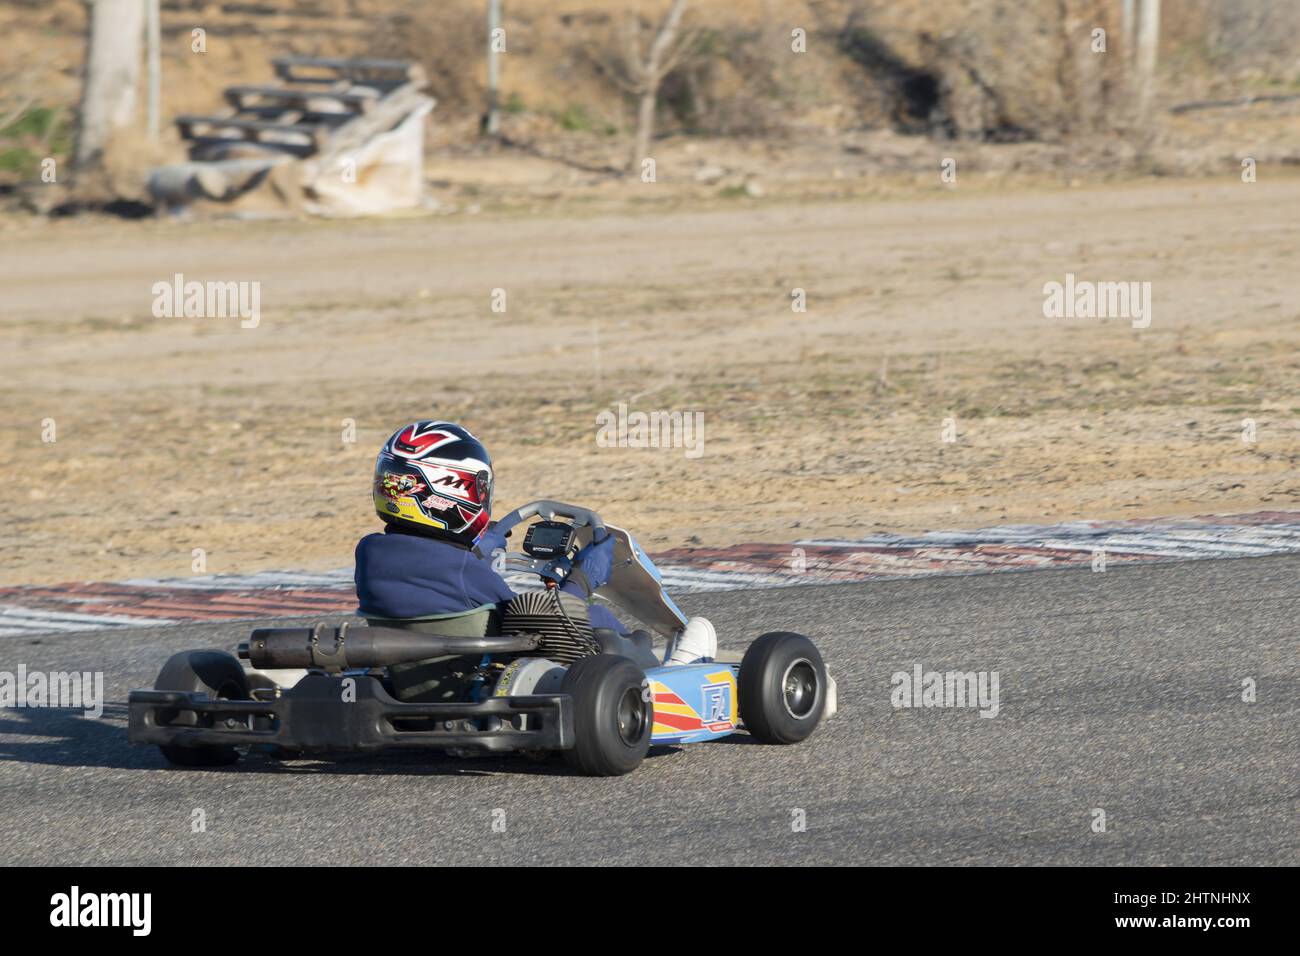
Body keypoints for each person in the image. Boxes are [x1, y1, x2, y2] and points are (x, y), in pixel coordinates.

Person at [354, 420, 715, 669]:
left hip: (411, 679)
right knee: (605, 627)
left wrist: (483, 545)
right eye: (477, 488)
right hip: (483, 675)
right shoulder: (461, 570)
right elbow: (539, 621)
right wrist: (582, 580)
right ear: (452, 492)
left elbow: (439, 573)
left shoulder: (371, 555)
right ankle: (674, 671)